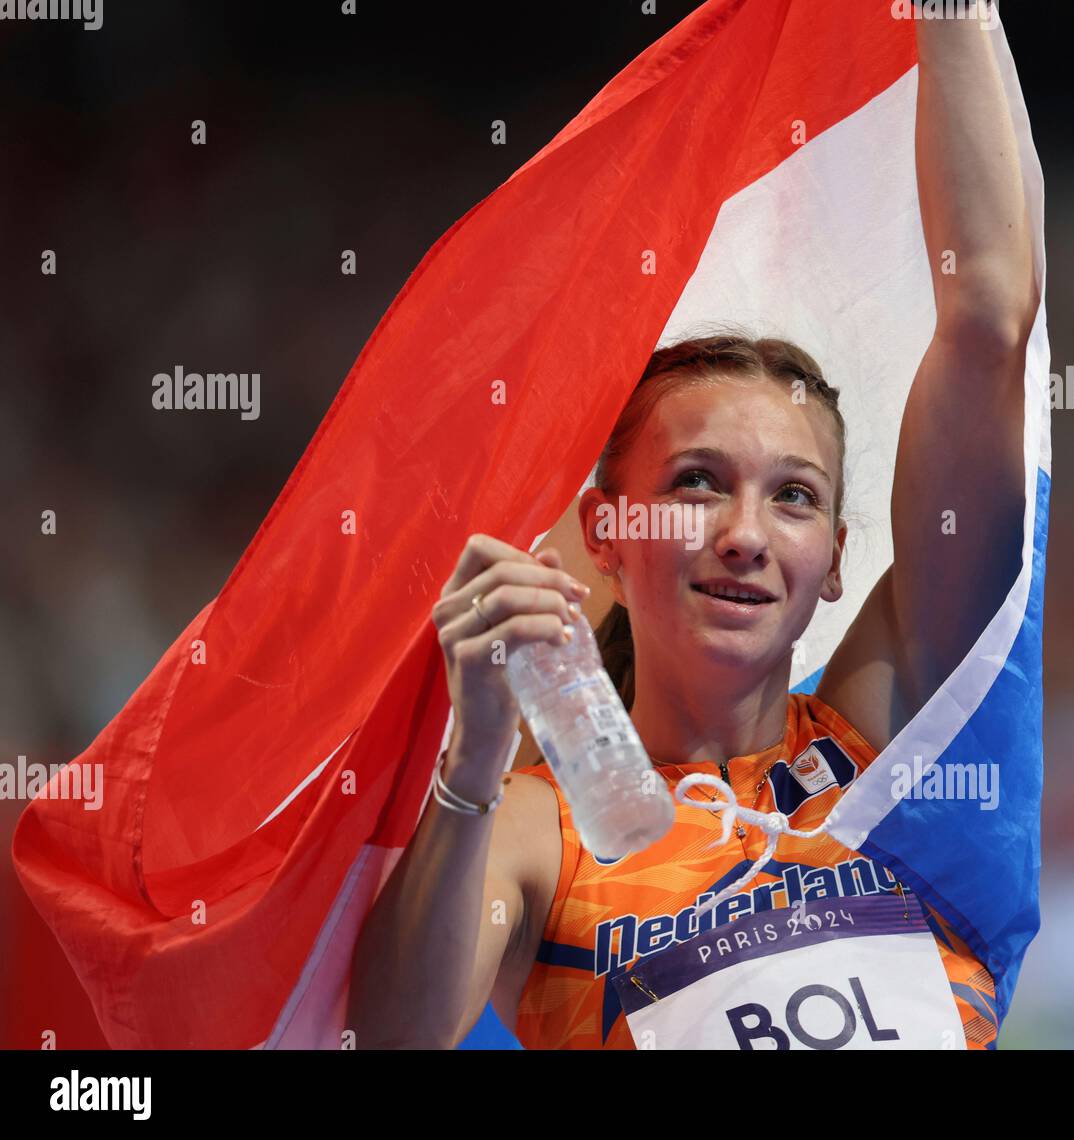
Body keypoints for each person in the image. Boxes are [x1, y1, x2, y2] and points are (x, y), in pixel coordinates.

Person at [347, 9, 1037, 1050]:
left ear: (838, 563)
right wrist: (476, 749)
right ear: (606, 530)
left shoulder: (888, 733)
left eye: (794, 496)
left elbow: (988, 316)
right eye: (697, 484)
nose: (744, 534)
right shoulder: (545, 827)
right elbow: (392, 1041)